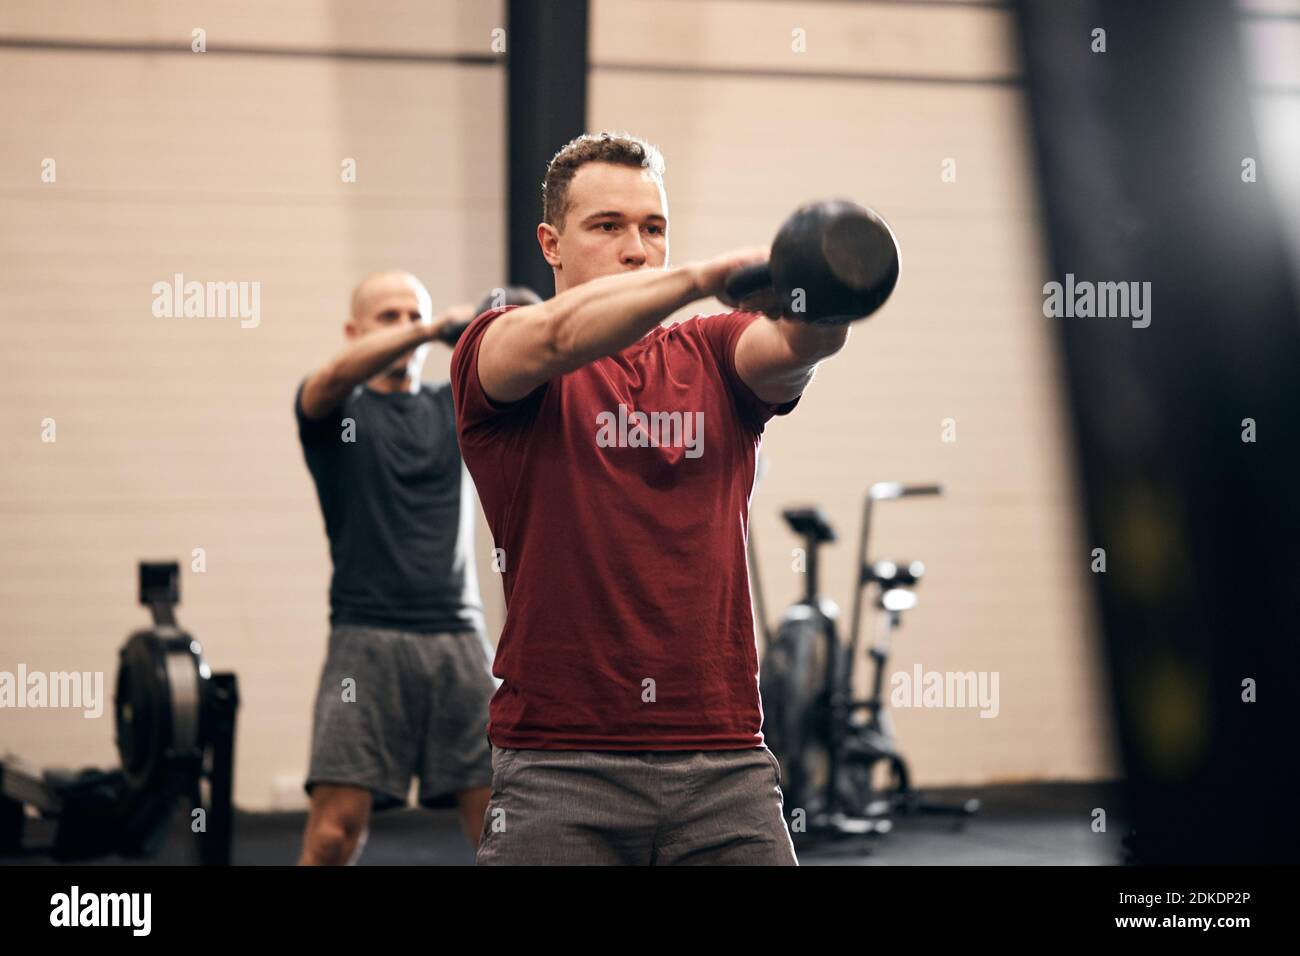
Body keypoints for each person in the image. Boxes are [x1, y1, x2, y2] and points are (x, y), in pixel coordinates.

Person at [451, 133, 855, 865]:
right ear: (552, 244)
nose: (637, 249)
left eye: (654, 228)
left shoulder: (712, 352)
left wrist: (823, 292)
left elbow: (796, 348)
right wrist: (702, 274)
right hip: (559, 766)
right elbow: (554, 337)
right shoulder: (502, 349)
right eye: (607, 227)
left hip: (723, 759)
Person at [294, 271, 505, 865]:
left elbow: (528, 363)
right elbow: (332, 376)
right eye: (389, 317)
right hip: (365, 638)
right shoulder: (337, 410)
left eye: (414, 315)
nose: (406, 328)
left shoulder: (454, 405)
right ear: (354, 331)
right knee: (335, 832)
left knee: (502, 827)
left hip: (458, 639)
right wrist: (436, 327)